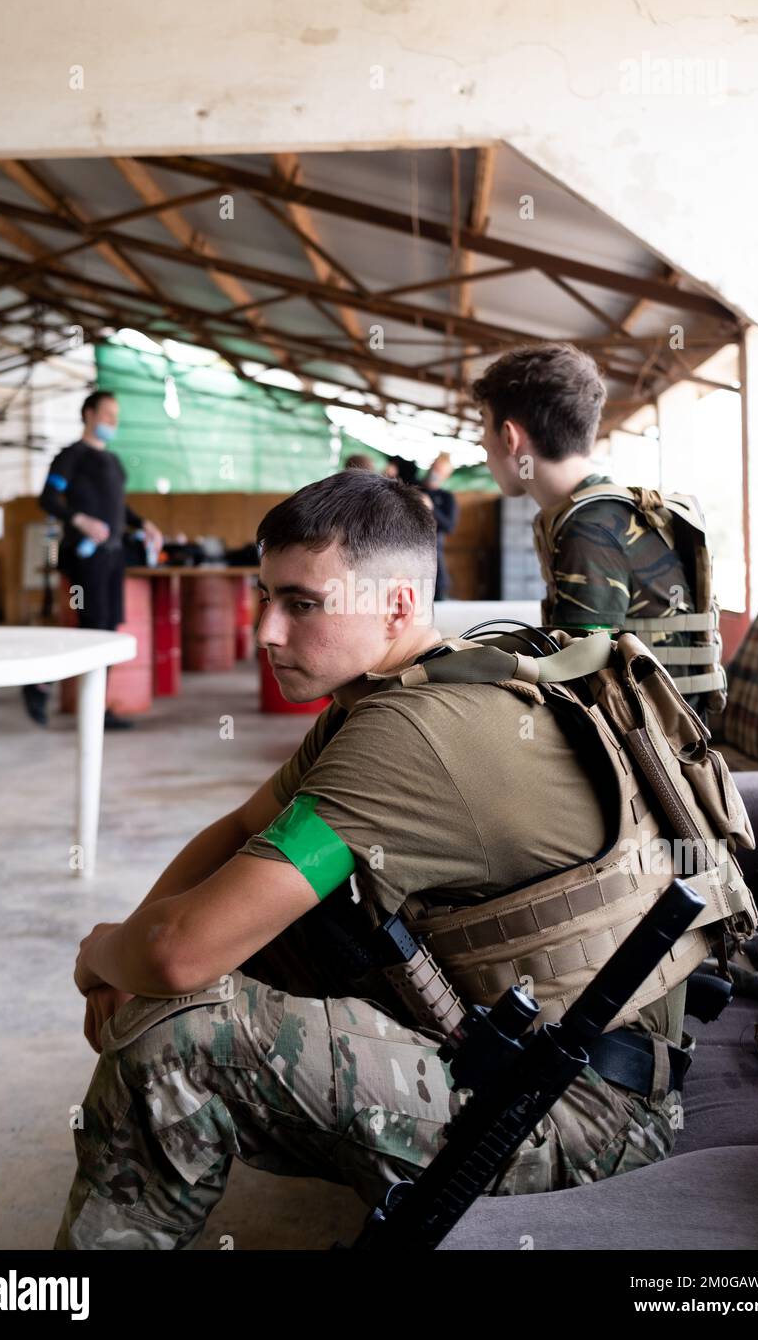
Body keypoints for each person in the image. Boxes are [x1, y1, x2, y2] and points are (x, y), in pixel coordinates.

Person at [55, 469, 694, 1251]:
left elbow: (178, 953)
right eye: (265, 596)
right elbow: (239, 827)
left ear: (395, 604)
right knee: (243, 934)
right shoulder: (406, 687)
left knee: (178, 1037)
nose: (266, 631)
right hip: (523, 1050)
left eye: (302, 603)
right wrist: (139, 951)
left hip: (577, 1112)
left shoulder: (412, 735)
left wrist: (104, 955)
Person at [473, 343, 724, 717]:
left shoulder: (589, 528)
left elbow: (576, 690)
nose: (481, 442)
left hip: (659, 759)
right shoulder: (599, 511)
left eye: (483, 423)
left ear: (509, 436)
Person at [24, 390, 163, 730]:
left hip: (113, 556)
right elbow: (48, 497)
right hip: (84, 556)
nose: (112, 422)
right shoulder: (72, 456)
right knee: (90, 629)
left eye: (116, 416)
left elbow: (118, 506)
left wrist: (143, 523)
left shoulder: (112, 462)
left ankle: (95, 708)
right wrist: (80, 520)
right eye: (106, 414)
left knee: (108, 629)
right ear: (88, 414)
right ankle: (38, 681)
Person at [419, 452, 458, 600]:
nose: (435, 473)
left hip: (433, 552)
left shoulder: (446, 497)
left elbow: (450, 526)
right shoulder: (414, 487)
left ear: (446, 476)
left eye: (440, 471)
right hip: (408, 548)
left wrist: (432, 508)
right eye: (435, 468)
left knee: (438, 589)